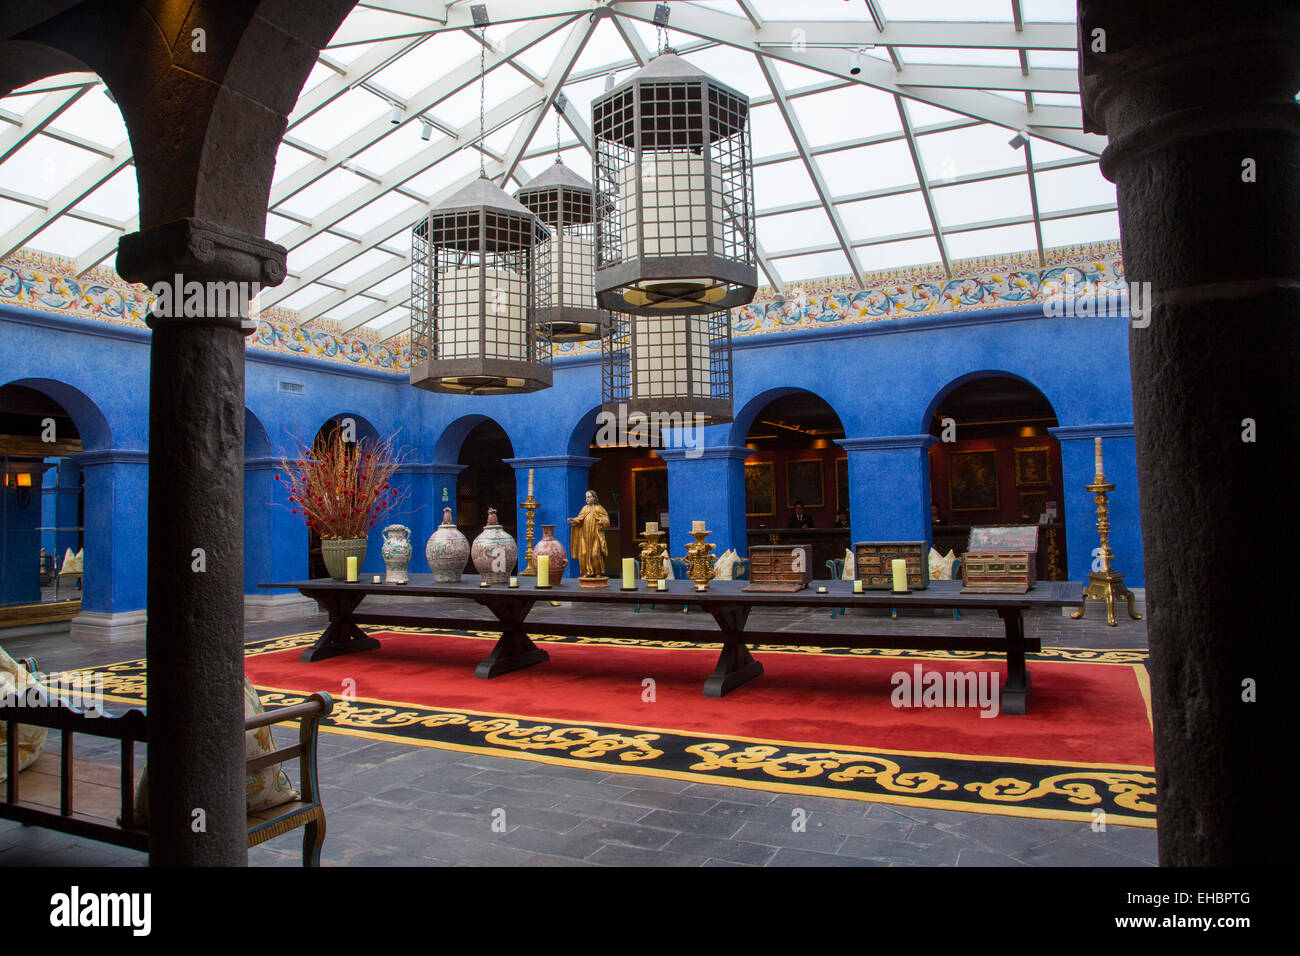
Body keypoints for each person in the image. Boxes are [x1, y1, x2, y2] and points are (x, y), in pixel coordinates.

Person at [568, 489, 610, 578]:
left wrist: (602, 522)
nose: (587, 499)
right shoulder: (584, 509)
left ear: (594, 498)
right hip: (585, 536)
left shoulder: (599, 508)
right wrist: (573, 520)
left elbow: (607, 520)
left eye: (589, 497)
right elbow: (580, 519)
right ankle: (587, 572)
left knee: (595, 554)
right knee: (583, 553)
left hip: (595, 535)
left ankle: (598, 572)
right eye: (586, 497)